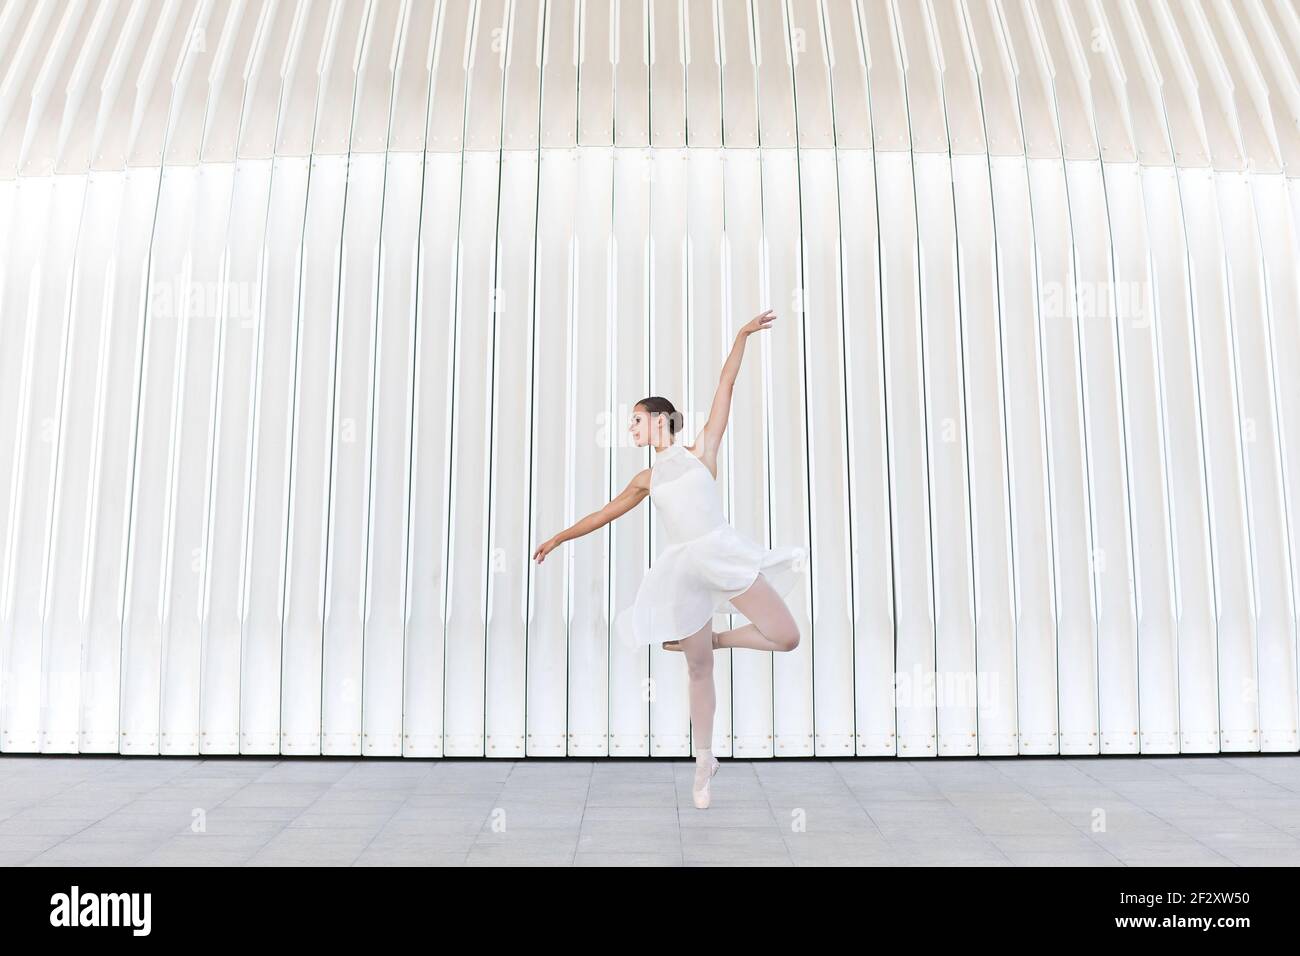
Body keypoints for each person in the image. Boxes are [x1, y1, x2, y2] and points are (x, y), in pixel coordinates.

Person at [532, 309, 805, 809]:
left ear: (659, 419)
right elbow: (602, 515)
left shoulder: (702, 452)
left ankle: (718, 638)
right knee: (698, 672)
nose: (631, 429)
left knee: (786, 636)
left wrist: (742, 334)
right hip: (684, 572)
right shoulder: (646, 480)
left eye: (635, 420)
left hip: (720, 553)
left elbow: (726, 385)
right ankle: (704, 762)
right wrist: (558, 538)